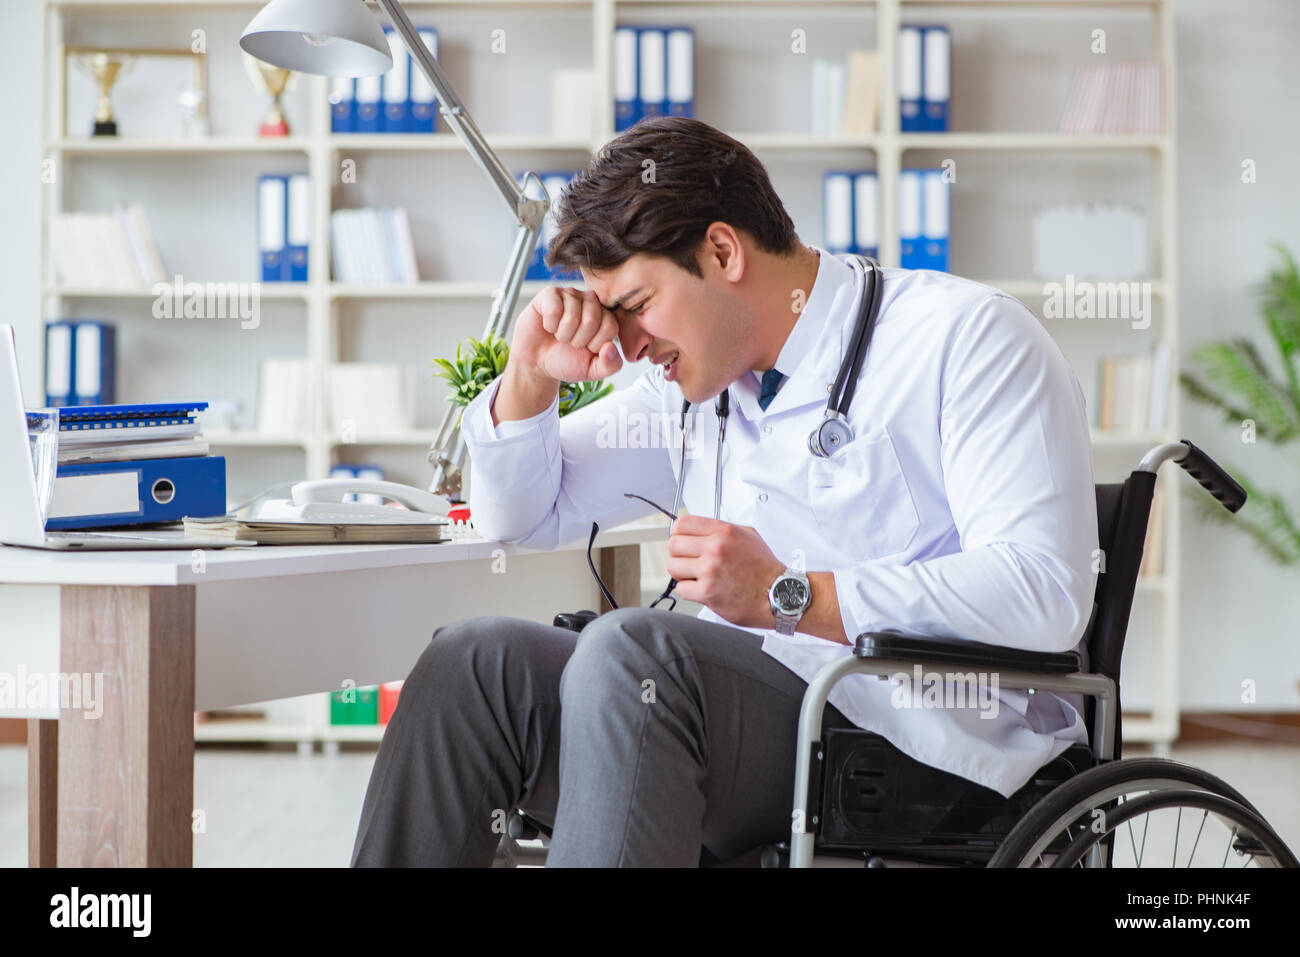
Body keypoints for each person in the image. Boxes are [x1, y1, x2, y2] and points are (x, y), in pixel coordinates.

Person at [350, 116, 1098, 867]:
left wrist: (791, 593)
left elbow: (1043, 592)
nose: (626, 342)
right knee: (474, 667)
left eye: (636, 304)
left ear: (722, 250)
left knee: (634, 652)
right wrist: (530, 375)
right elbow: (520, 513)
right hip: (747, 724)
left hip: (928, 744)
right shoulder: (692, 390)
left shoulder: (966, 339)